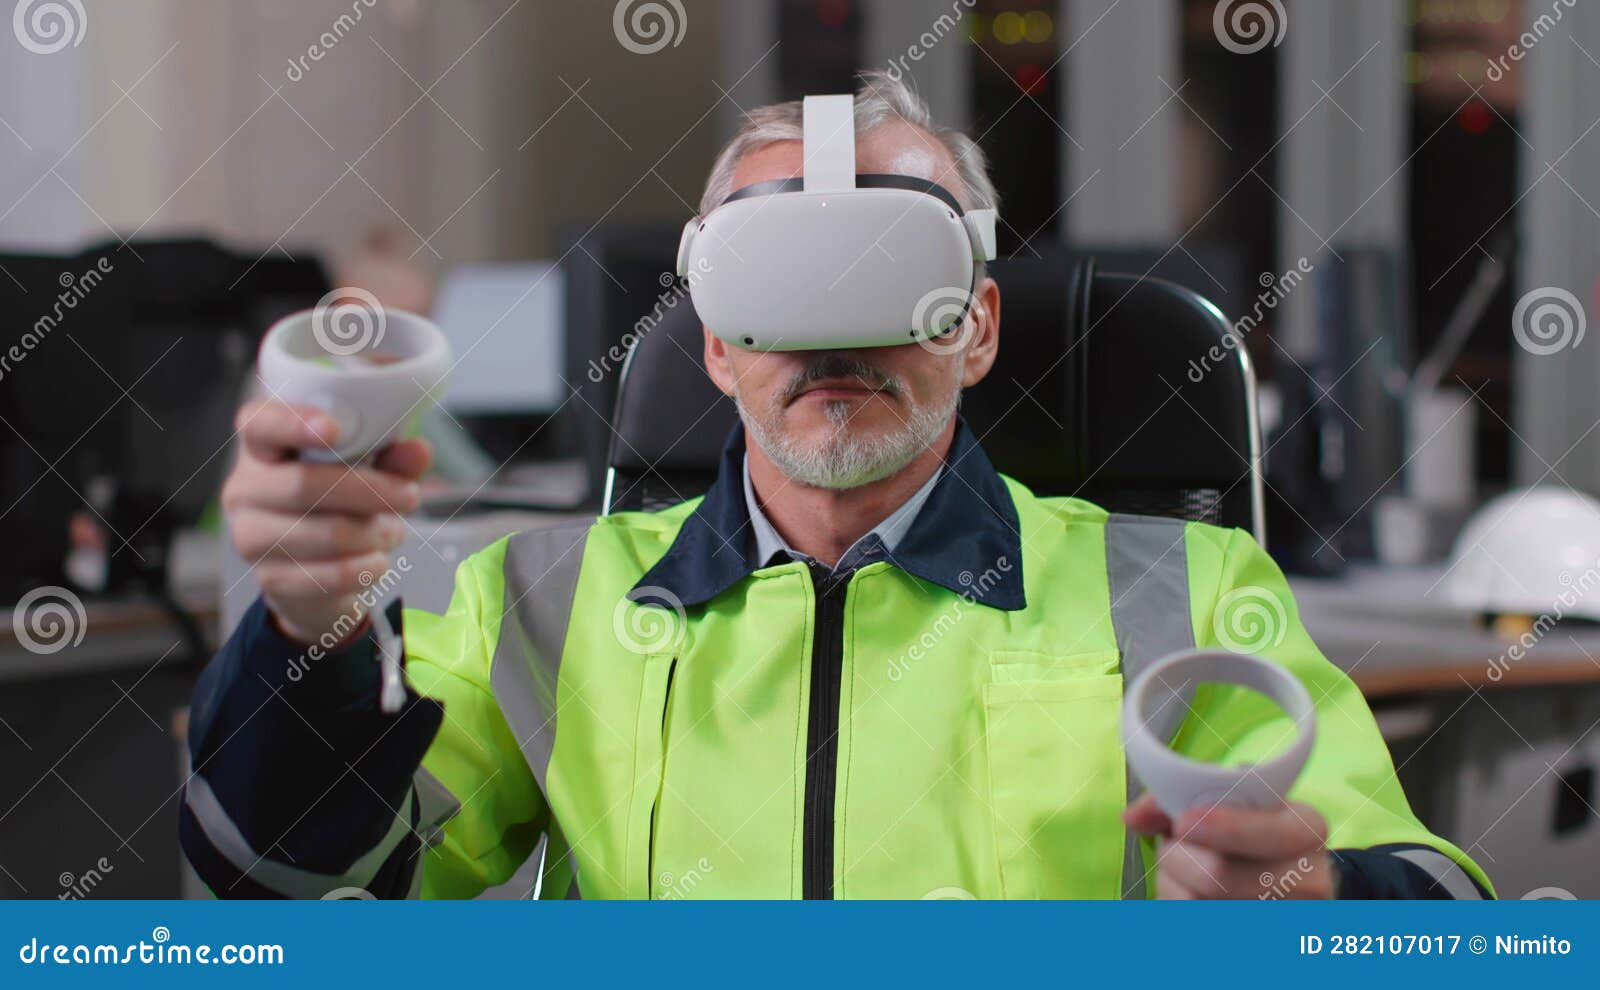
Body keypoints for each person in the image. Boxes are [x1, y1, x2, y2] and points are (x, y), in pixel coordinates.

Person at [181, 72, 1490, 901]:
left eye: (886, 268)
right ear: (715, 338)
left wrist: (1321, 897)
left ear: (975, 327)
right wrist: (312, 632)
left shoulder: (1181, 589)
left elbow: (1443, 909)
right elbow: (289, 885)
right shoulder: (545, 598)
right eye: (783, 281)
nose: (832, 332)